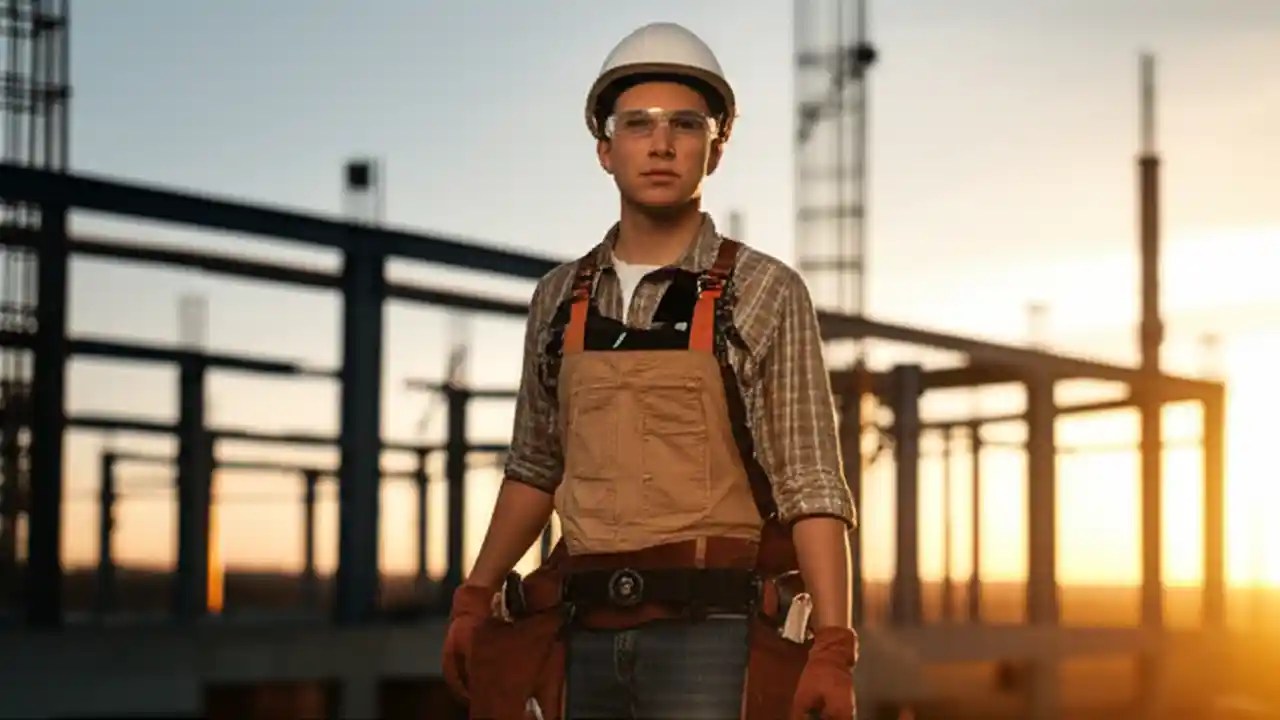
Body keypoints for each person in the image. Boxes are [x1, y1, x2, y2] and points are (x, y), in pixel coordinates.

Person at [442, 21, 859, 720]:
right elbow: (534, 466)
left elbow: (811, 482)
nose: (661, 144)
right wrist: (475, 595)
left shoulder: (764, 291)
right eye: (637, 124)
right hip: (580, 634)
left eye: (685, 125)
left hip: (715, 642)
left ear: (715, 149)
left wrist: (834, 645)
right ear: (605, 149)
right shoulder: (558, 298)